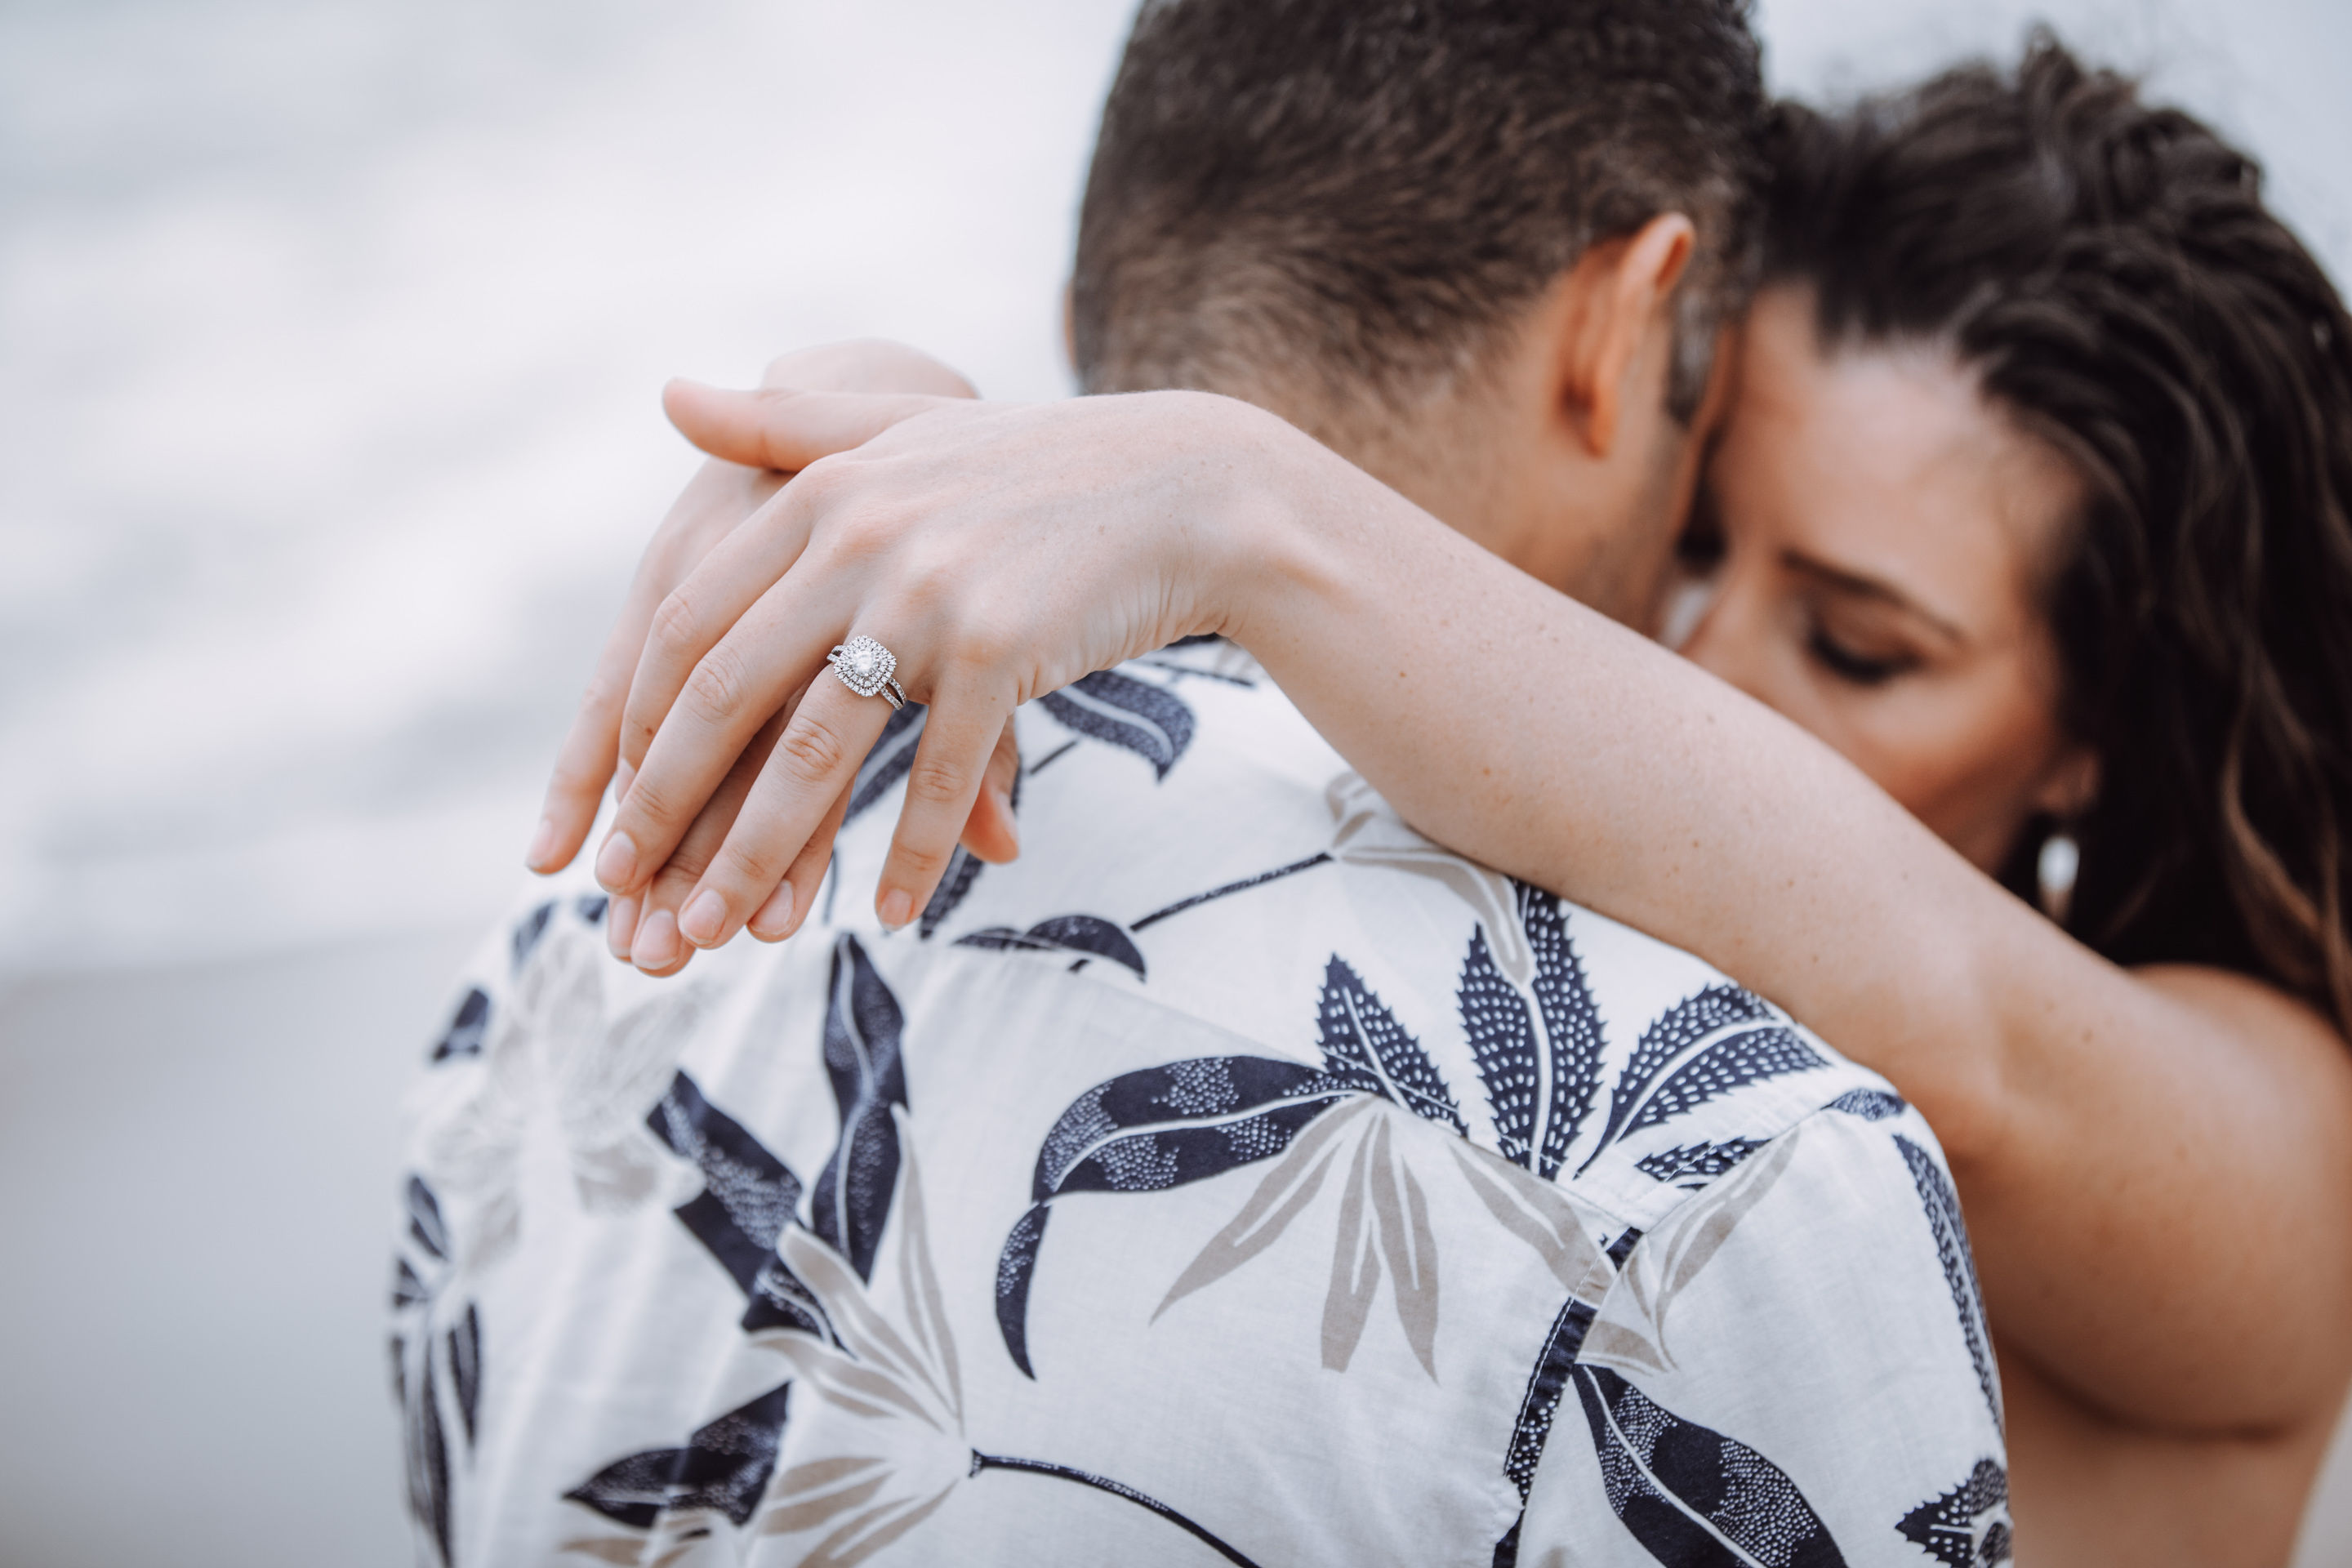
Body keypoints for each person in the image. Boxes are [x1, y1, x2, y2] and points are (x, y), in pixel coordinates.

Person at [564, 36, 2352, 1567]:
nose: (1699, 654)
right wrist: (909, 459)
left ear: (2091, 734)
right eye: (1699, 534)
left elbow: (1953, 1008)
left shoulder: (2274, 1137)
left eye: (1861, 644)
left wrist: (1224, 490)